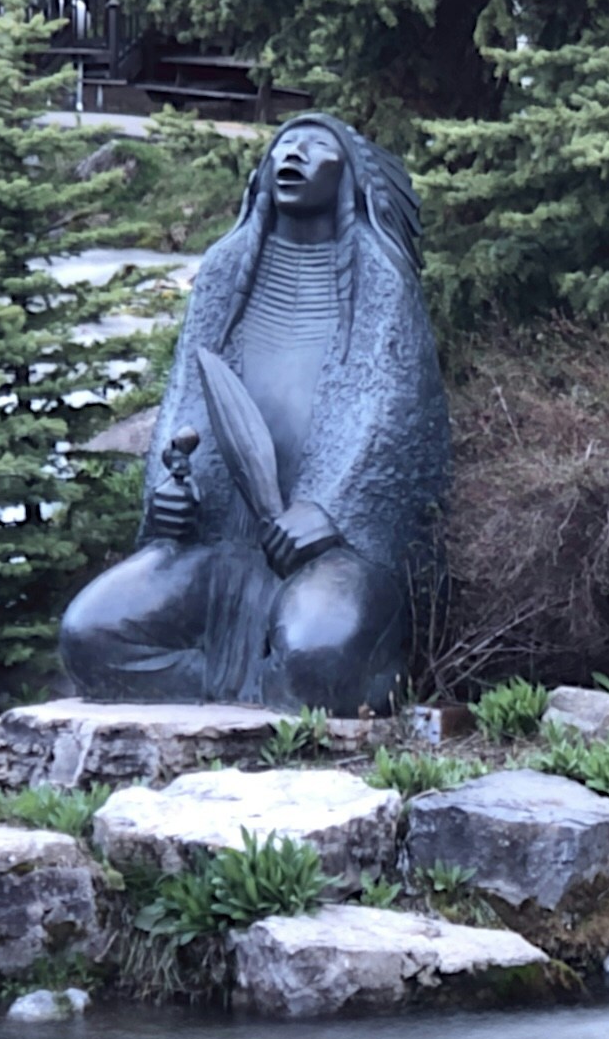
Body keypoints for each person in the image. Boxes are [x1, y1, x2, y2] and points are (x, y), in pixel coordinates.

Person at [55, 114, 448, 710]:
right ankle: (240, 685)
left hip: (328, 554)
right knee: (89, 636)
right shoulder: (222, 273)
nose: (294, 154)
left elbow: (394, 419)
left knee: (320, 658)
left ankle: (300, 683)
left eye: (316, 146)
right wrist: (172, 492)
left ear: (349, 177)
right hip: (217, 547)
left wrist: (330, 512)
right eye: (284, 145)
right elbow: (185, 402)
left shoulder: (382, 283)